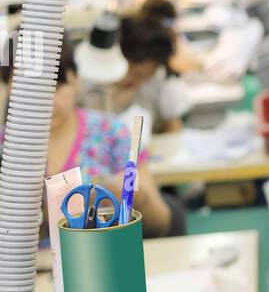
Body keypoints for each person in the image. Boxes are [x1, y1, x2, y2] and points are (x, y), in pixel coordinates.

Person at [0, 36, 175, 237]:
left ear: (75, 80)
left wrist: (135, 196)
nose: (42, 104)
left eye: (54, 88)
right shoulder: (6, 147)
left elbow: (161, 224)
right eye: (27, 92)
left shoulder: (111, 132)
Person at [114, 16, 192, 133]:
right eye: (135, 74)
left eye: (143, 76)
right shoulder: (99, 83)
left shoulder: (158, 78)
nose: (136, 81)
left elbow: (173, 126)